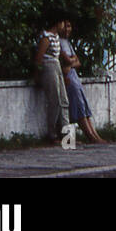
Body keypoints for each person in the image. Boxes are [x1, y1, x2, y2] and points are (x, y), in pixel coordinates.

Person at [59, 19, 107, 144]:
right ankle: (89, 135)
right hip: (68, 77)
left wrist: (71, 62)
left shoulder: (67, 42)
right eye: (65, 26)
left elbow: (77, 61)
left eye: (69, 26)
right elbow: (67, 61)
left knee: (83, 105)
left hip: (73, 75)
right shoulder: (57, 42)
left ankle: (94, 134)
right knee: (77, 105)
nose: (67, 29)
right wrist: (70, 62)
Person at [33, 11, 72, 144]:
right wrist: (37, 75)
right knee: (54, 100)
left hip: (56, 66)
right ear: (58, 23)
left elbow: (60, 56)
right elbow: (39, 58)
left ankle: (67, 136)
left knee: (64, 101)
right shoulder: (46, 37)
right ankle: (52, 134)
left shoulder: (56, 37)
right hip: (48, 66)